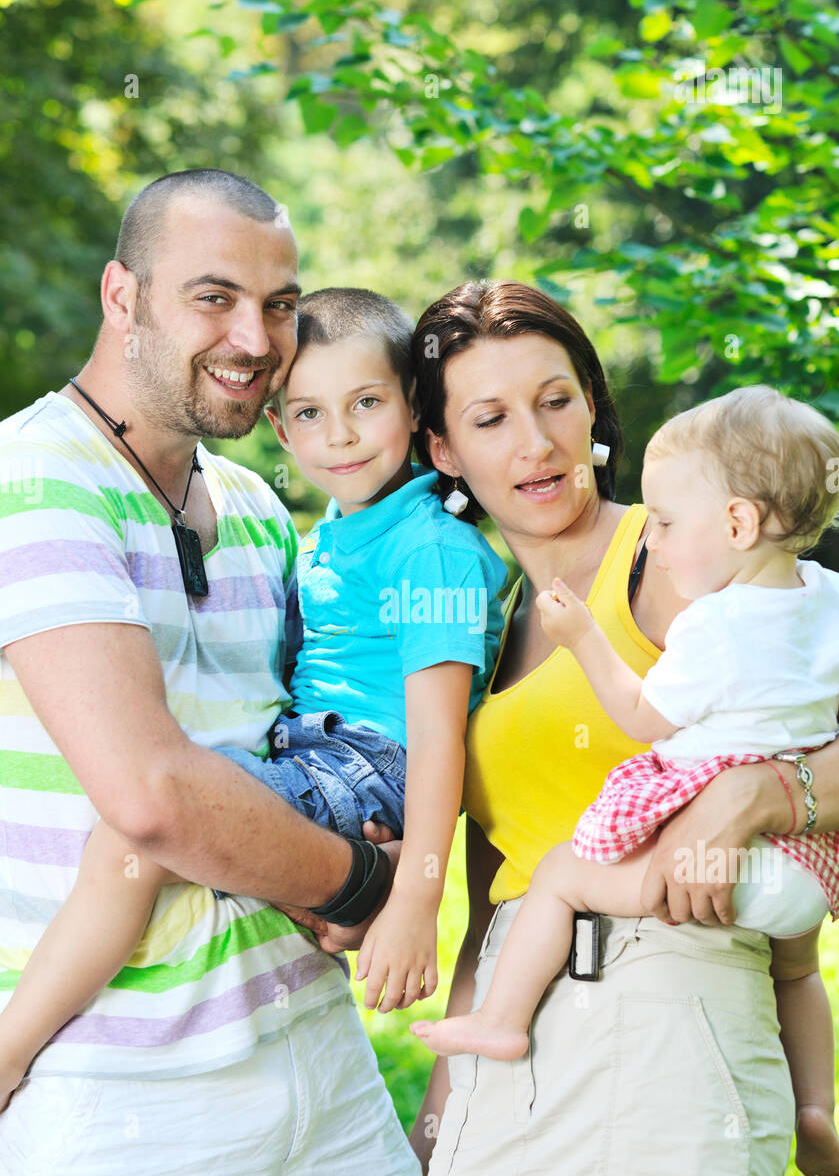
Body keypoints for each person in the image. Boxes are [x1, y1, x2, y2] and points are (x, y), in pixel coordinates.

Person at [0, 170, 422, 1176]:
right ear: (122, 295)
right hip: (125, 1097)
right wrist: (362, 883)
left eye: (280, 305)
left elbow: (319, 739)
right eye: (214, 297)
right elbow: (152, 798)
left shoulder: (256, 509)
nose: (255, 337)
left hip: (320, 1060)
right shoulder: (34, 480)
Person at [406, 279, 839, 1176]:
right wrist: (454, 1074)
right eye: (489, 417)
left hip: (669, 999)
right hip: (515, 1019)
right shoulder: (467, 613)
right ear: (443, 449)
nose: (535, 441)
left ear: (592, 403)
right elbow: (504, 874)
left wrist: (766, 794)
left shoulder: (683, 556)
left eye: (556, 399)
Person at [0, 287, 507, 1098]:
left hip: (375, 762)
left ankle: (10, 1047)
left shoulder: (433, 552)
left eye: (366, 404)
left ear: (415, 409)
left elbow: (442, 733)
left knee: (138, 839)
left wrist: (415, 891)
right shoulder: (330, 537)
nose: (337, 435)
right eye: (307, 414)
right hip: (325, 755)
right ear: (279, 427)